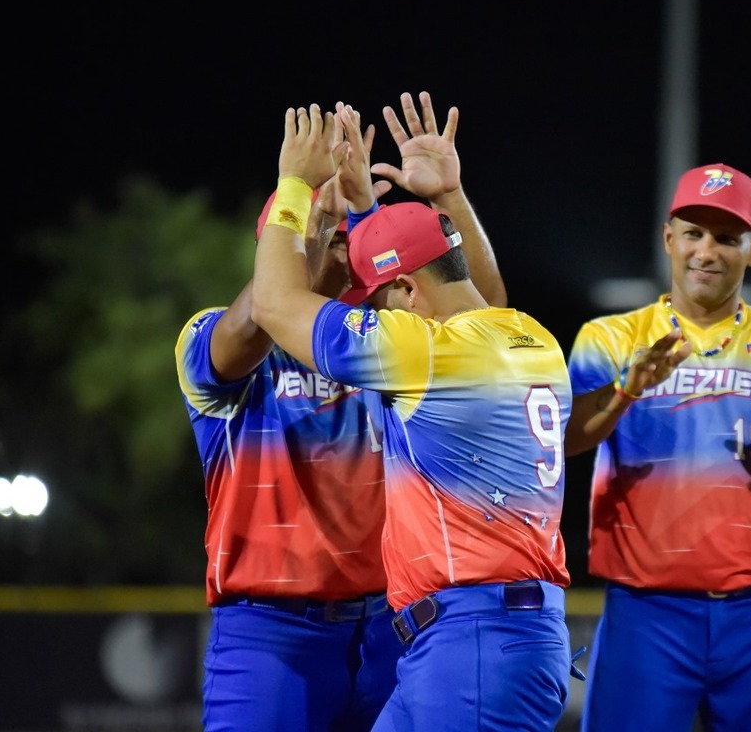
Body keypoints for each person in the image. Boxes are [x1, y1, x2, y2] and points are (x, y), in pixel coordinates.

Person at [175, 91, 507, 732]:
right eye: (314, 227)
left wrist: (438, 203)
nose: (335, 238)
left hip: (396, 622)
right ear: (279, 246)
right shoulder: (214, 338)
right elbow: (258, 319)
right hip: (271, 633)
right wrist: (296, 190)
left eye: (344, 231)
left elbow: (483, 323)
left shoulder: (394, 335)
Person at [249, 101, 576, 731]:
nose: (379, 316)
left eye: (382, 302)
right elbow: (441, 282)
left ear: (404, 295)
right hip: (503, 633)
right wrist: (399, 214)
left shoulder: (423, 350)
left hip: (473, 642)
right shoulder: (533, 338)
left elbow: (273, 302)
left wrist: (294, 183)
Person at [564, 162, 751, 732]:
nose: (707, 250)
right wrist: (626, 389)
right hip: (647, 609)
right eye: (694, 232)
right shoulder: (612, 337)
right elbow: (567, 441)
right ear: (668, 236)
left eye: (727, 238)